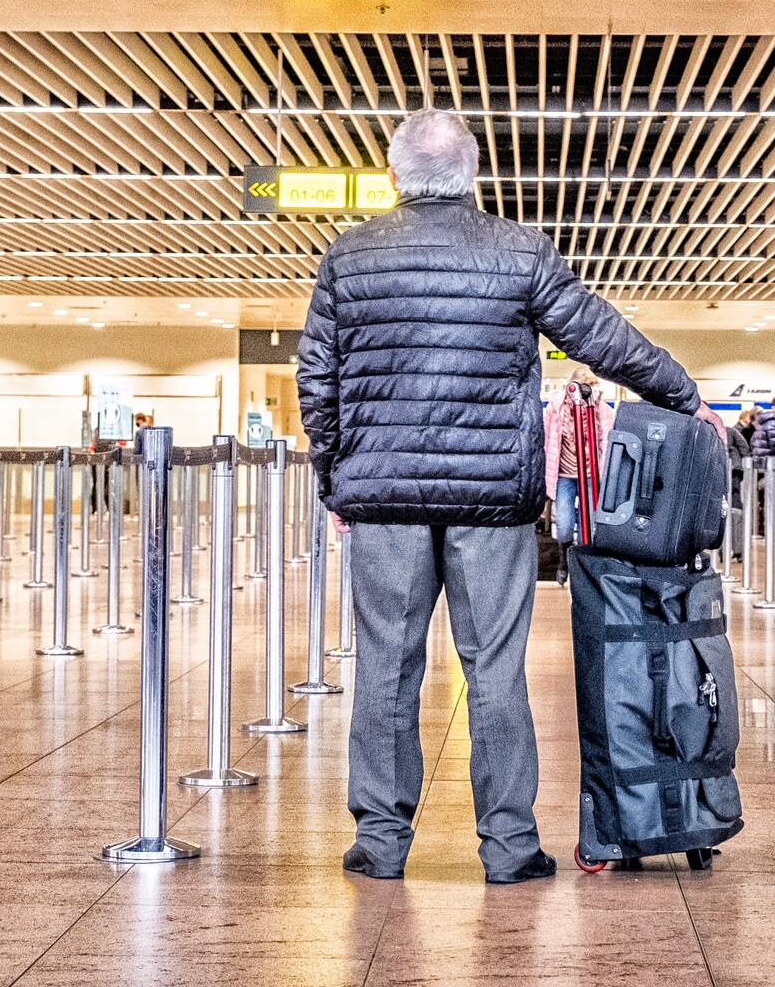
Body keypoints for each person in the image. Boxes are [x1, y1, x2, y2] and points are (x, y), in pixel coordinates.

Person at [297, 109, 722, 886]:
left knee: (387, 668)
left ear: (395, 177)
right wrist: (684, 394)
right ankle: (507, 845)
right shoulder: (518, 251)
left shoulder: (349, 256)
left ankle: (382, 844)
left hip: (384, 498)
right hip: (491, 500)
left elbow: (316, 380)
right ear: (473, 176)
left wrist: (336, 475)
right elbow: (601, 335)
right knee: (493, 667)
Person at [544, 368, 612, 544]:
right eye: (589, 384)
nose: (594, 388)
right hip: (563, 475)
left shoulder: (603, 410)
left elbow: (607, 442)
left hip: (591, 475)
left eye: (595, 384)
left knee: (588, 527)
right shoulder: (556, 407)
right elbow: (545, 438)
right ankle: (563, 562)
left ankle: (579, 566)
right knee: (564, 526)